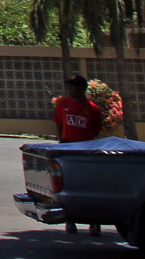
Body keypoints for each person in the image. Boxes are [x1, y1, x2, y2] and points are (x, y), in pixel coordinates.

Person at [55, 76, 103, 236]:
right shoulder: (64, 104)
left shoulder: (93, 109)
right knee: (69, 186)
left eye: (74, 87)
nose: (71, 90)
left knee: (90, 187)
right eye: (70, 87)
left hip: (86, 152)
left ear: (82, 89)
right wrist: (62, 141)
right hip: (68, 150)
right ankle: (70, 221)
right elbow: (59, 123)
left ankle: (94, 223)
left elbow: (95, 131)